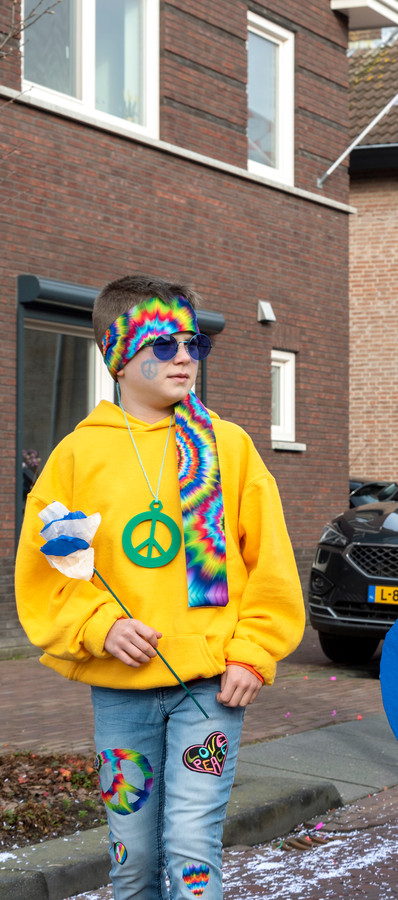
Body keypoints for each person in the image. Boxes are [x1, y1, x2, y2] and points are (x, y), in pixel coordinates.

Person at [15, 275, 305, 900]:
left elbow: (271, 564)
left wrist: (254, 651)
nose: (184, 356)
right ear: (116, 356)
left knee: (192, 848)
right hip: (122, 696)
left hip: (210, 691)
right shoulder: (76, 457)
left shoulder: (228, 448)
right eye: (164, 343)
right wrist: (101, 625)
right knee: (134, 857)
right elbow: (49, 569)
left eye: (193, 343)